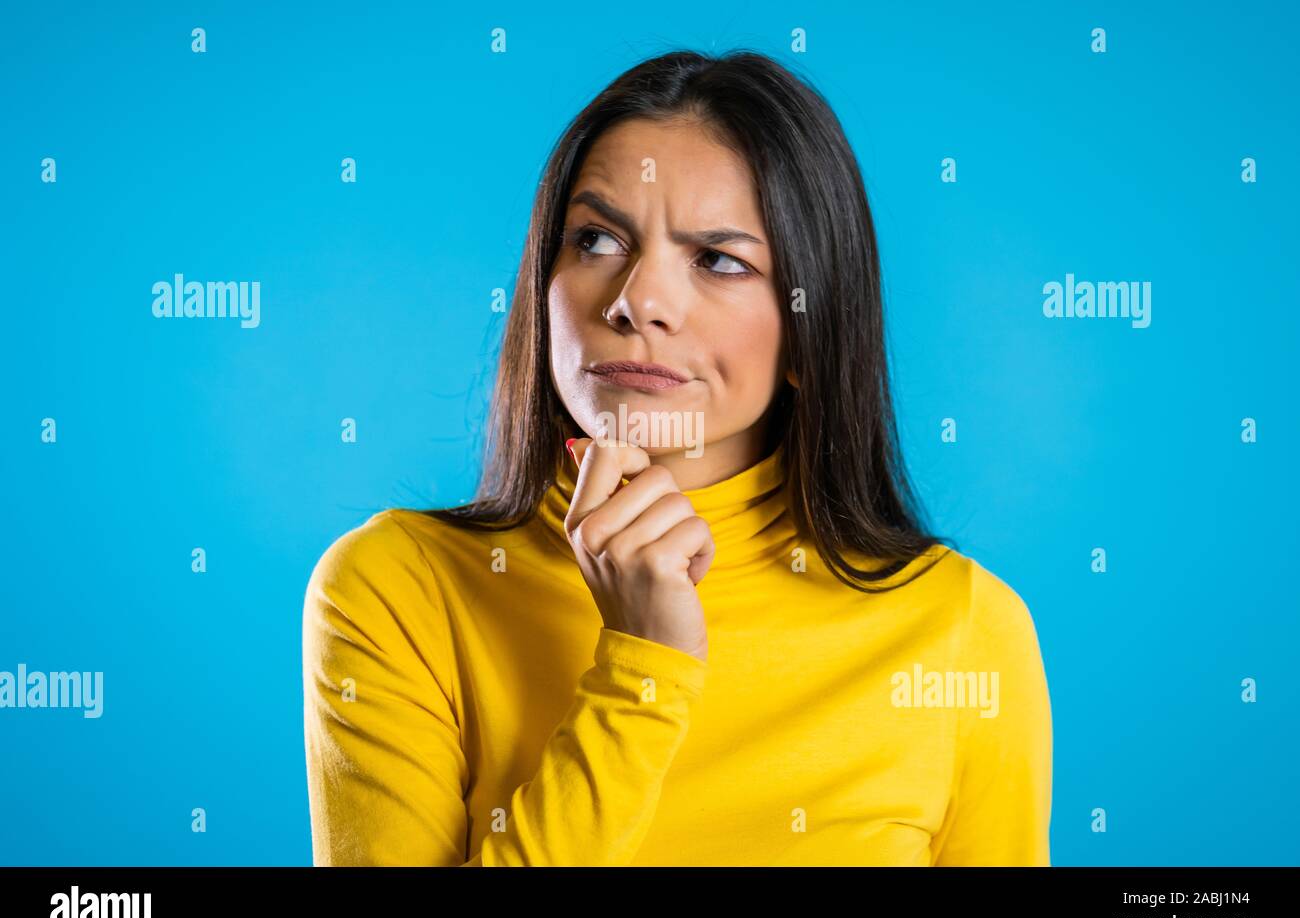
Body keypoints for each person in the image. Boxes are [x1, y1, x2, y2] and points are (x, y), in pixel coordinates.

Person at [302, 49, 1052, 866]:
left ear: (810, 329)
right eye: (595, 239)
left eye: (719, 259)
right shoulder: (394, 591)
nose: (638, 301)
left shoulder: (962, 629)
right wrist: (642, 674)